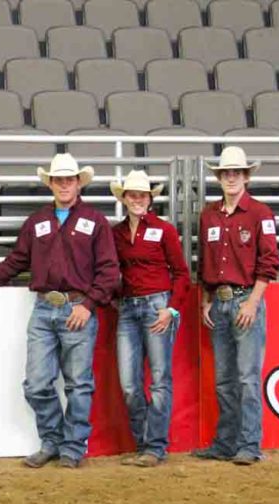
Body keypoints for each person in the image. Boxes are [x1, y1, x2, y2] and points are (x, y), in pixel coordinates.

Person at [0, 153, 119, 469]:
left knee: (79, 384)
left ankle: (72, 447)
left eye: (69, 179)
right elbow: (16, 261)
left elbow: (109, 271)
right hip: (44, 309)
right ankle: (53, 440)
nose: (64, 185)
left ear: (78, 183)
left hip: (77, 308)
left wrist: (88, 304)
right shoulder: (37, 222)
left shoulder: (96, 222)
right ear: (51, 184)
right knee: (36, 384)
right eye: (58, 180)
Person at [193, 146, 279, 465]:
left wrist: (253, 303)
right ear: (219, 178)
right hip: (220, 301)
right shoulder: (209, 215)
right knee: (224, 379)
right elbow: (205, 260)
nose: (231, 178)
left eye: (236, 173)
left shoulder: (260, 213)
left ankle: (249, 443)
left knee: (246, 377)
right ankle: (227, 442)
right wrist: (206, 300)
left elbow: (269, 262)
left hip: (245, 299)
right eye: (226, 173)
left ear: (245, 177)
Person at [110, 170, 191, 467]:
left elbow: (181, 273)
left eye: (142, 195)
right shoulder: (116, 233)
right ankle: (146, 444)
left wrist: (171, 309)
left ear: (149, 198)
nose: (137, 200)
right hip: (129, 308)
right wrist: (114, 297)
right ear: (124, 199)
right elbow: (110, 270)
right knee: (129, 384)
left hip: (157, 305)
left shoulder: (164, 230)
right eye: (132, 195)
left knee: (158, 380)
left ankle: (154, 446)